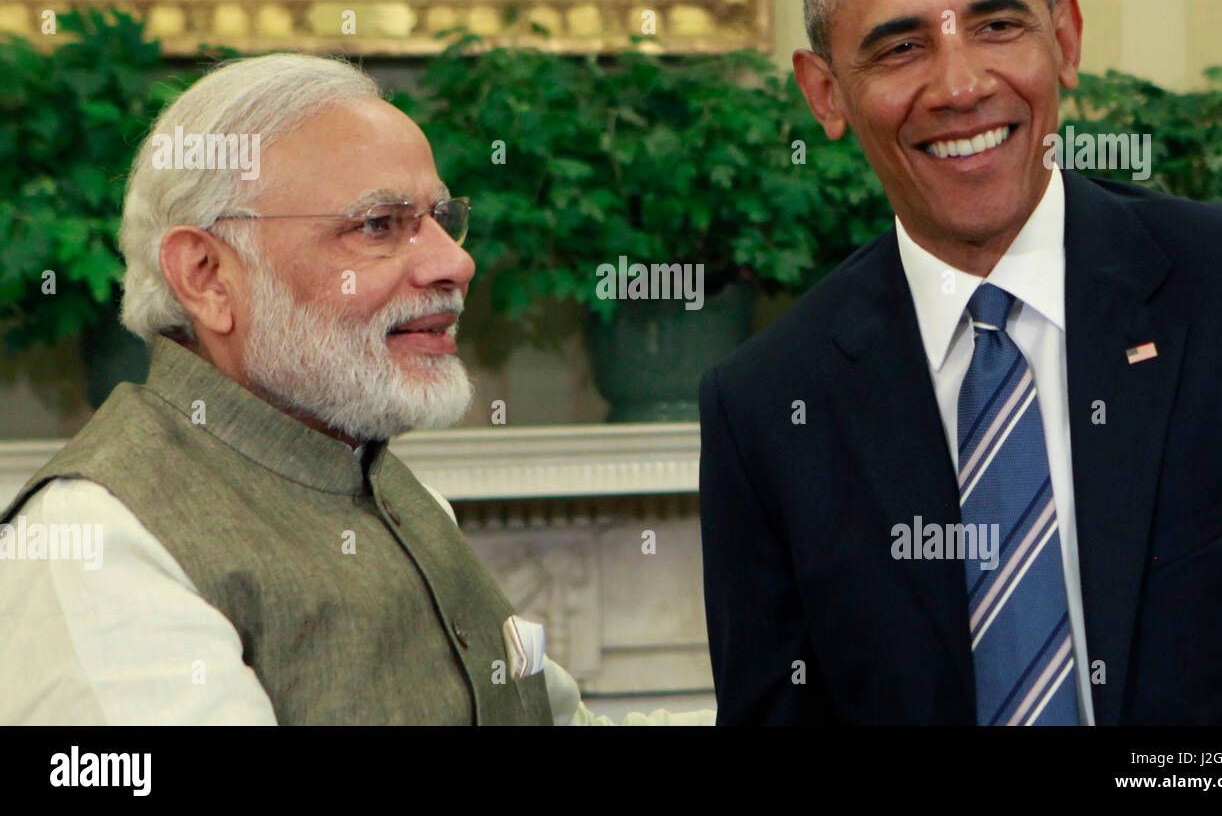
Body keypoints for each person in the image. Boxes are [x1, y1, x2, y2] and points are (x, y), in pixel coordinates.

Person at [698, 0, 1222, 725]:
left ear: (1067, 39)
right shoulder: (768, 405)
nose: (961, 86)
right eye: (901, 47)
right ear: (825, 91)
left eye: (998, 25)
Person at [0, 53, 712, 726]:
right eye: (378, 225)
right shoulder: (95, 541)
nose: (454, 262)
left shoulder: (399, 495)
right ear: (208, 277)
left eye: (440, 219)